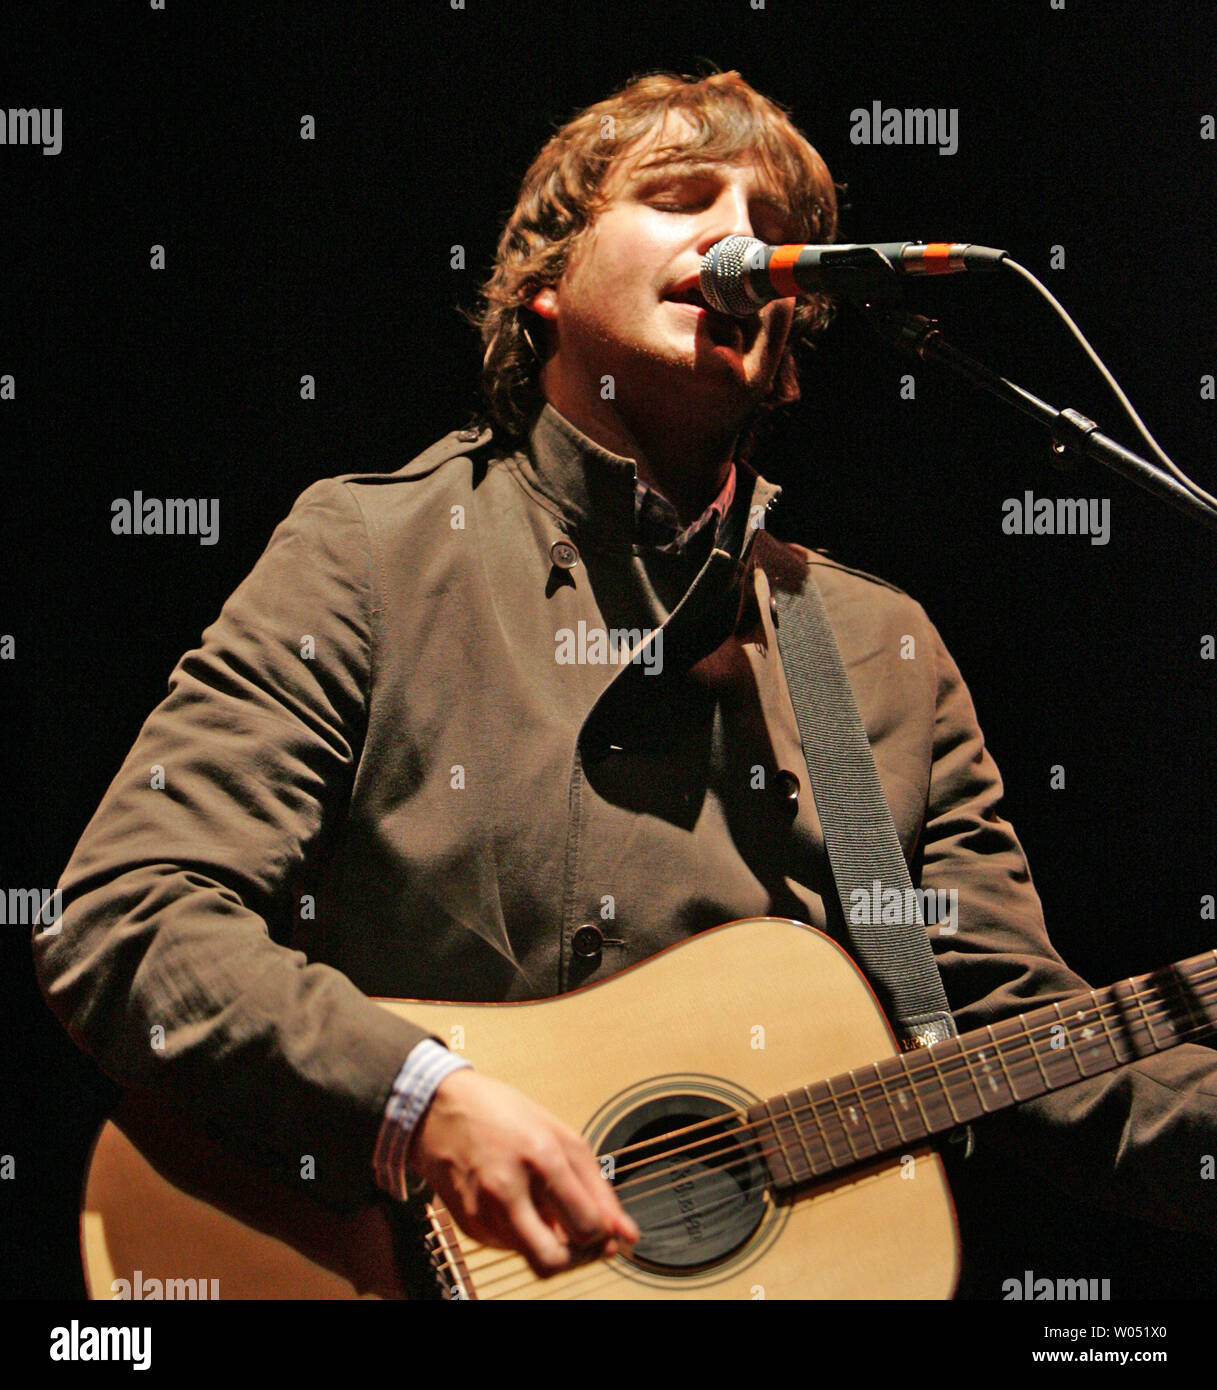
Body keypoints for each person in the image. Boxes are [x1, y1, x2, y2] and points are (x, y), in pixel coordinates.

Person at [33, 69, 1217, 1293]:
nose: (738, 235)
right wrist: (419, 1102)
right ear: (541, 282)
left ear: (791, 343)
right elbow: (131, 911)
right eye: (677, 195)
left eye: (771, 223)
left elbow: (1042, 1053)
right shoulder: (370, 555)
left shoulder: (874, 649)